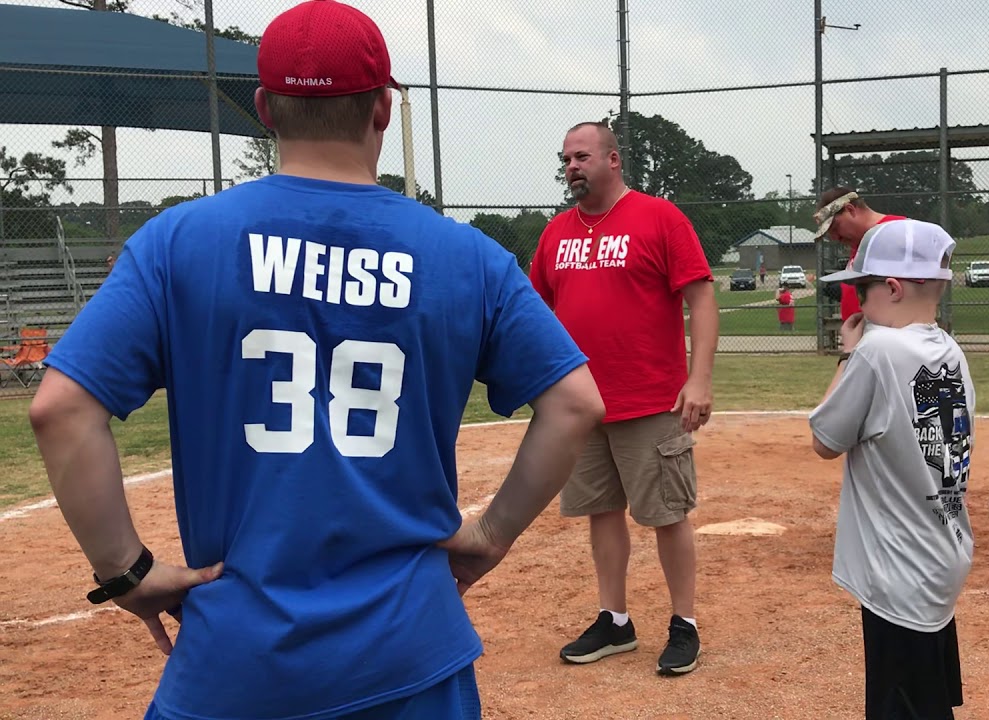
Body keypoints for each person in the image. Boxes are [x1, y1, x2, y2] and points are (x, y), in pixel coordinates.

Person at [28, 2, 605, 719]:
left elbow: (59, 409)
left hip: (236, 659)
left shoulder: (177, 243)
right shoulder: (468, 259)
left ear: (266, 108)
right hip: (409, 650)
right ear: (383, 110)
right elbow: (576, 403)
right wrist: (488, 536)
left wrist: (127, 573)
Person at [529, 121, 719, 677]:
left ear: (613, 160)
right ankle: (615, 620)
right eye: (565, 159)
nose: (571, 167)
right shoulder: (556, 233)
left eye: (582, 156)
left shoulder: (659, 218)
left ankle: (683, 623)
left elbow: (701, 301)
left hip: (652, 399)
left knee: (666, 514)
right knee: (600, 512)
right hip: (583, 403)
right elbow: (536, 311)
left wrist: (699, 378)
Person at [808, 218, 975, 720]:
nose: (858, 303)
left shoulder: (877, 352)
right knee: (926, 700)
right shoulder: (949, 349)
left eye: (863, 288)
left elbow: (824, 439)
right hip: (938, 552)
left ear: (894, 288)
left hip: (896, 568)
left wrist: (847, 354)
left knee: (900, 707)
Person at [813, 187, 906, 322]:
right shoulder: (860, 241)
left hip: (886, 336)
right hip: (863, 337)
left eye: (835, 227)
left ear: (850, 210)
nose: (834, 237)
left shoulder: (896, 231)